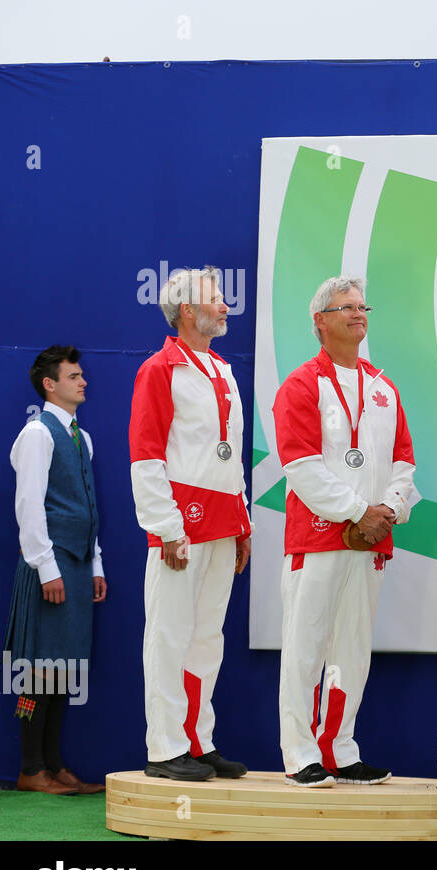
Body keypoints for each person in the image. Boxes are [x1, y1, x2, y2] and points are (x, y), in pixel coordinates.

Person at [274, 276, 416, 787]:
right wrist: (359, 511)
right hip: (317, 540)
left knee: (353, 650)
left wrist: (388, 511)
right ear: (320, 321)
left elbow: (404, 462)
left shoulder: (383, 387)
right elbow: (301, 466)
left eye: (362, 306)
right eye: (346, 307)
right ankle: (299, 754)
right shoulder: (300, 384)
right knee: (305, 647)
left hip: (371, 539)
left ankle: (339, 748)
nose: (359, 313)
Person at [131, 267, 250, 781]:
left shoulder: (222, 368)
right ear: (187, 310)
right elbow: (146, 456)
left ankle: (197, 739)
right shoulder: (159, 369)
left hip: (224, 521)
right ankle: (164, 747)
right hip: (182, 522)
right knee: (168, 635)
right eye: (216, 299)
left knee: (207, 638)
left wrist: (242, 520)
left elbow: (230, 458)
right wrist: (166, 527)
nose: (225, 306)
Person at [5, 346, 107, 795]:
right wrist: (47, 569)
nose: (83, 382)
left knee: (63, 669)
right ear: (50, 384)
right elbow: (28, 507)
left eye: (82, 375)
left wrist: (96, 563)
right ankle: (31, 767)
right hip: (49, 564)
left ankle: (54, 764)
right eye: (74, 376)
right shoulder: (37, 434)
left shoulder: (81, 438)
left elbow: (88, 505)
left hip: (79, 565)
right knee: (36, 671)